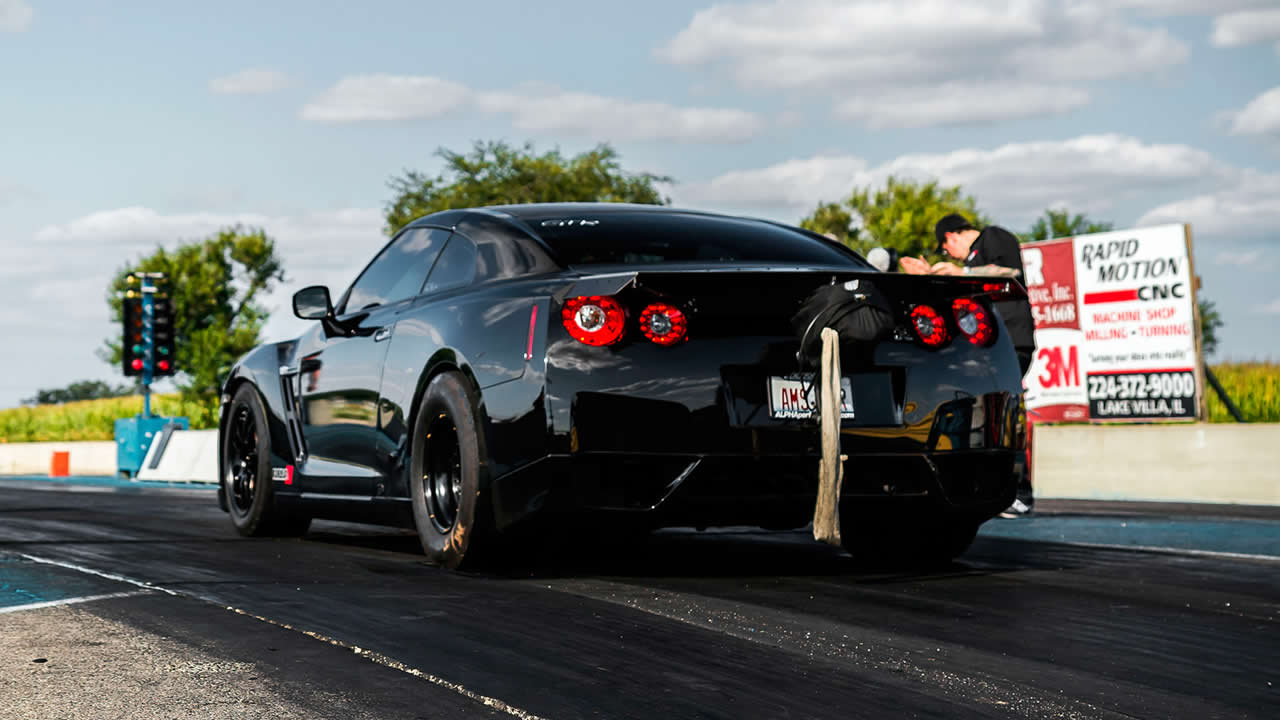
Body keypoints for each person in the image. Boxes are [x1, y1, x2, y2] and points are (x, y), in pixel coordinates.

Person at [900, 213, 1037, 516]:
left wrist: (960, 270)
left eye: (946, 251)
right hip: (986, 347)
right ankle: (990, 489)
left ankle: (1019, 493)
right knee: (981, 414)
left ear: (950, 237)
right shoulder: (971, 261)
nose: (949, 255)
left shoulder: (994, 236)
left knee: (1003, 414)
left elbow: (1009, 271)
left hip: (1011, 341)